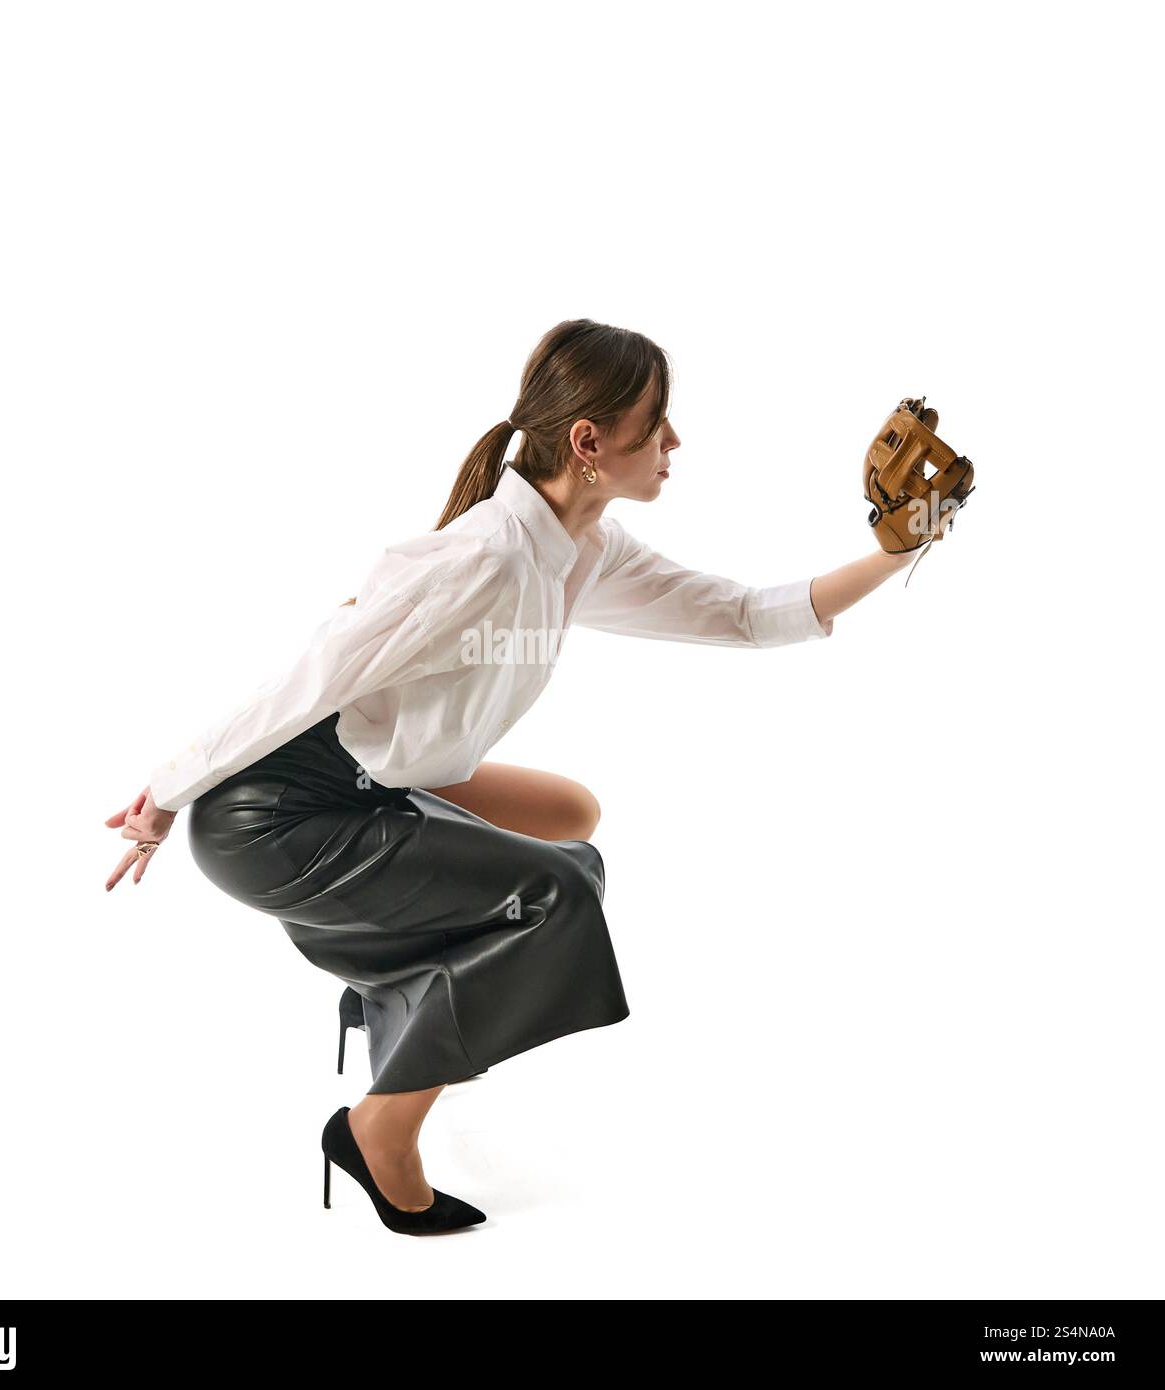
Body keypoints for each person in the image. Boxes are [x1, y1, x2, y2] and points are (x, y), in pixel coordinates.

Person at [104, 318, 920, 1235]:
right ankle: (378, 1130)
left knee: (573, 828)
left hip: (367, 782)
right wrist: (166, 792)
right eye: (659, 425)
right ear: (590, 443)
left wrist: (897, 554)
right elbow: (315, 674)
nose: (674, 444)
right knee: (557, 894)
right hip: (280, 812)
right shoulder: (487, 554)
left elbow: (739, 614)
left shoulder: (581, 548)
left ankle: (396, 1001)